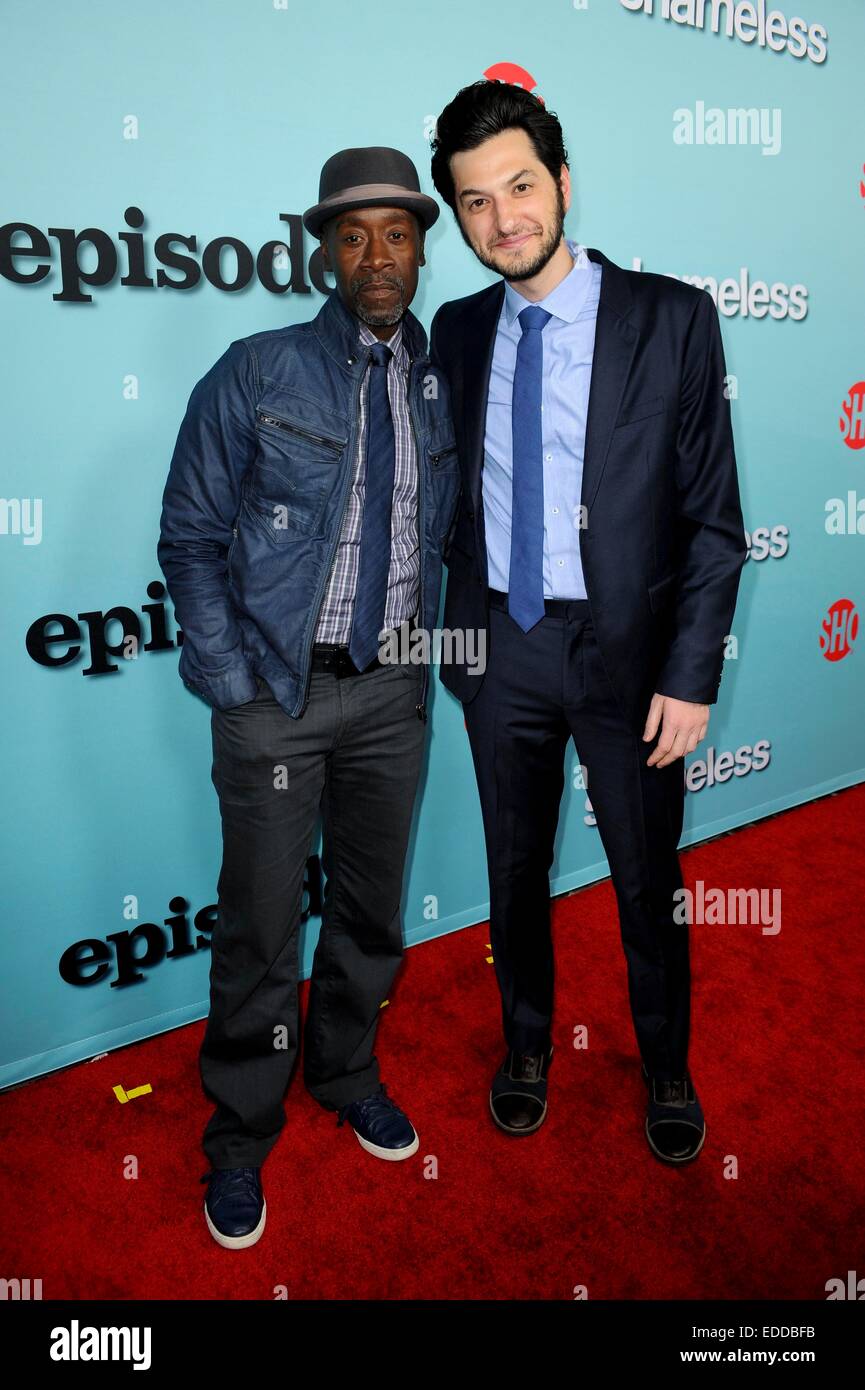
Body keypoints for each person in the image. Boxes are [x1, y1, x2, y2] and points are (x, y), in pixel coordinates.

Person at [428, 82, 746, 1164]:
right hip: (501, 648)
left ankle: (664, 1058)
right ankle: (526, 1045)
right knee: (513, 868)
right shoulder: (458, 329)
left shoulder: (671, 317)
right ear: (459, 218)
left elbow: (712, 519)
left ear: (562, 185)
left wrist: (692, 673)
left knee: (648, 877)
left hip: (630, 656)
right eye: (475, 201)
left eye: (520, 186)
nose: (503, 217)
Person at [157, 147, 460, 1247]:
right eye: (353, 235)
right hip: (276, 694)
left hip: (392, 693)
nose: (376, 256)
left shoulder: (439, 378)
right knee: (258, 927)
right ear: (325, 251)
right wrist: (235, 684)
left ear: (422, 246)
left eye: (397, 233)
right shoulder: (255, 370)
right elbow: (189, 540)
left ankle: (344, 1072)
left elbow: (449, 535)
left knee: (372, 915)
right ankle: (239, 1133)